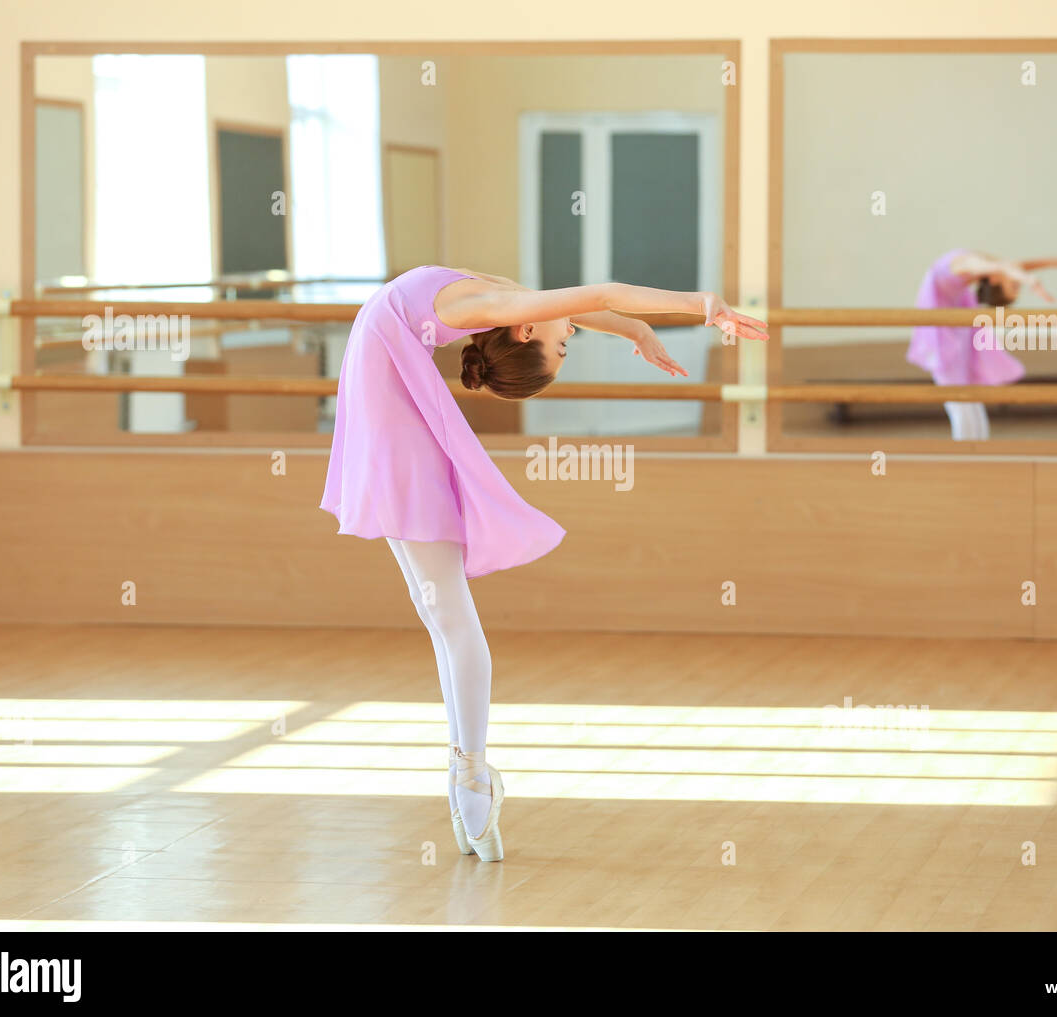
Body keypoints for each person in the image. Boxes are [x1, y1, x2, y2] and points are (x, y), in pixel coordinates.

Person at [320, 264, 767, 860]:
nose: (570, 335)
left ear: (524, 333)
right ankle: (471, 777)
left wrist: (645, 327)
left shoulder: (485, 306)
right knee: (448, 620)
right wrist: (690, 306)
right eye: (566, 344)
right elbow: (592, 298)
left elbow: (585, 302)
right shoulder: (480, 306)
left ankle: (467, 775)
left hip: (390, 431)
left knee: (445, 619)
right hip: (391, 432)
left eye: (560, 344)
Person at [907, 251, 1057, 439]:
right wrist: (1031, 280)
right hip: (943, 340)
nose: (1016, 280)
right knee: (959, 404)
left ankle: (976, 453)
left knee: (970, 400)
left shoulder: (981, 267)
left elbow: (1048, 262)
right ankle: (967, 456)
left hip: (957, 334)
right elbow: (1005, 266)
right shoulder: (966, 265)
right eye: (1015, 284)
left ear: (994, 281)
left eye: (1014, 284)